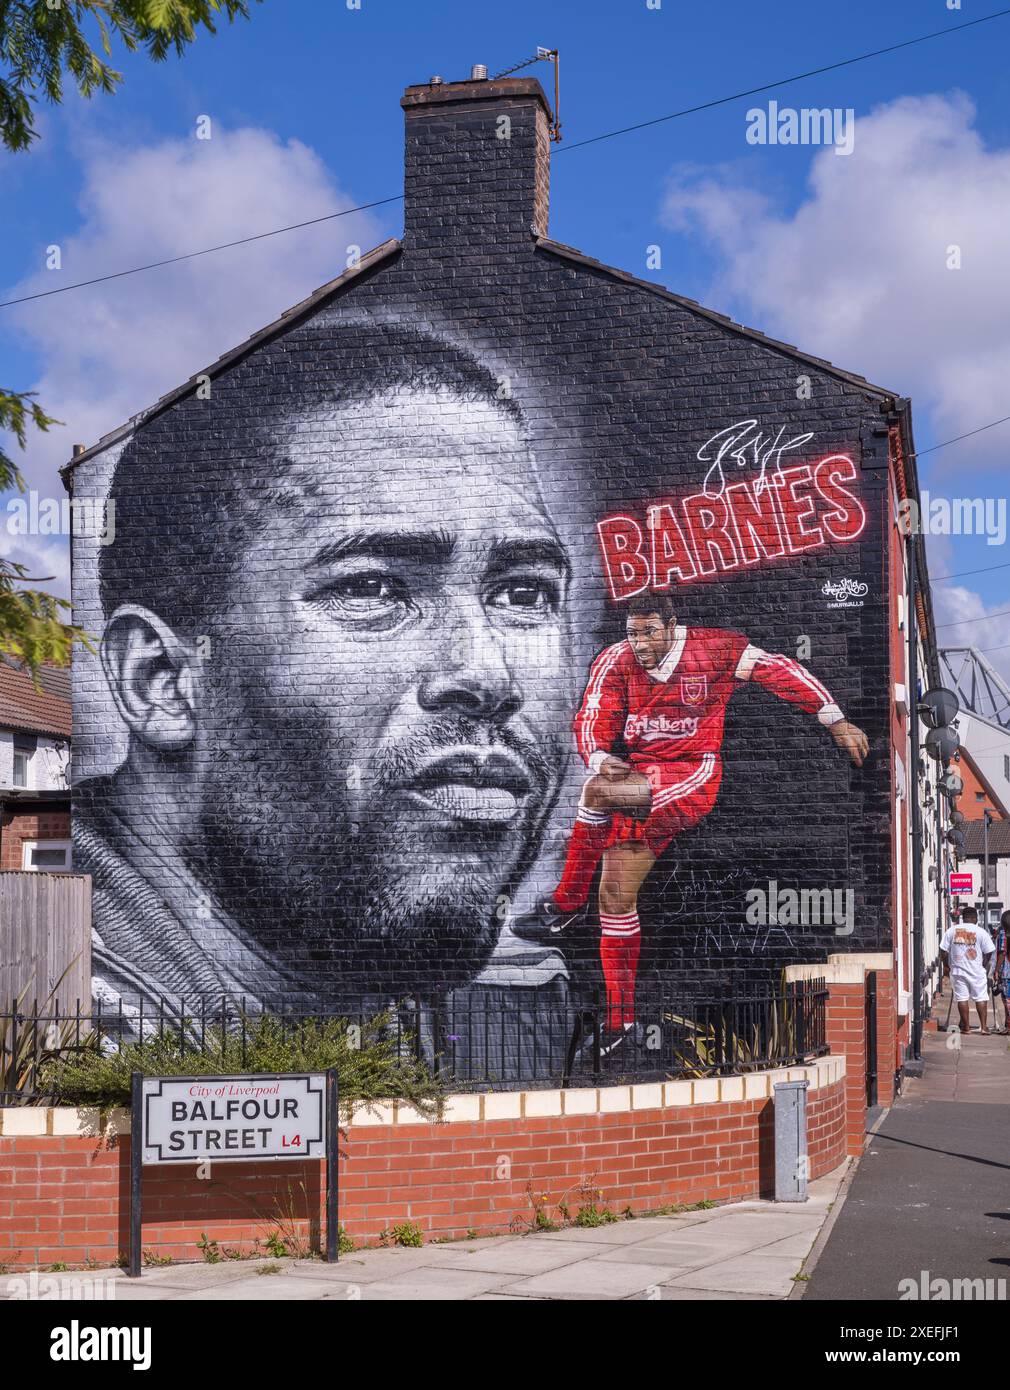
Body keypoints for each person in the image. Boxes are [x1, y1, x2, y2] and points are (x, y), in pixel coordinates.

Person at [74, 322, 575, 1034]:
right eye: (373, 588)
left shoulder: (477, 1020)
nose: (486, 673)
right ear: (159, 680)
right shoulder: (40, 1008)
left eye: (524, 594)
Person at [513, 591, 869, 1052]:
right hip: (640, 776)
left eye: (649, 632)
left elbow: (778, 670)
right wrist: (600, 755)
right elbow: (593, 713)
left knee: (596, 793)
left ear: (672, 625)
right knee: (615, 897)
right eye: (632, 632)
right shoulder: (616, 659)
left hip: (691, 773)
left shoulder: (714, 649)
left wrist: (835, 720)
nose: (639, 642)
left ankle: (563, 904)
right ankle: (621, 1024)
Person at [940, 906, 996, 1034]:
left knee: (962, 998)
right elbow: (989, 951)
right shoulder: (981, 932)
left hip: (958, 970)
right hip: (976, 970)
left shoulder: (952, 931)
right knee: (981, 997)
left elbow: (943, 950)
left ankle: (966, 1028)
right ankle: (983, 1027)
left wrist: (946, 966)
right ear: (975, 918)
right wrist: (984, 963)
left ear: (963, 918)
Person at [992, 909, 1010, 1034]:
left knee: (1007, 1000)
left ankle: (1008, 1027)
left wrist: (996, 970)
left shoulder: (1003, 934)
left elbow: (1002, 953)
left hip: (1007, 973)